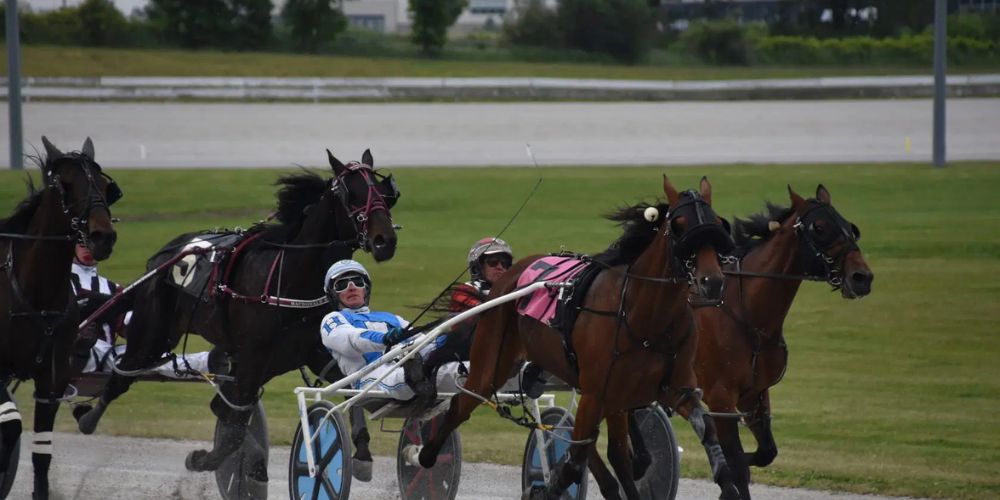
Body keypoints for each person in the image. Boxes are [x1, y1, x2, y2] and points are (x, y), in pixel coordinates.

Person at [70, 244, 215, 378]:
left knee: (145, 358)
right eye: (81, 242)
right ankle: (208, 362)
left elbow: (131, 326)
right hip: (66, 356)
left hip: (107, 358)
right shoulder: (56, 283)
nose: (88, 247)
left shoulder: (113, 288)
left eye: (92, 242)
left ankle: (211, 361)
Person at [448, 237, 514, 312]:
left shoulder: (514, 292)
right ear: (477, 267)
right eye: (493, 262)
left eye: (505, 263)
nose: (500, 267)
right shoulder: (464, 291)